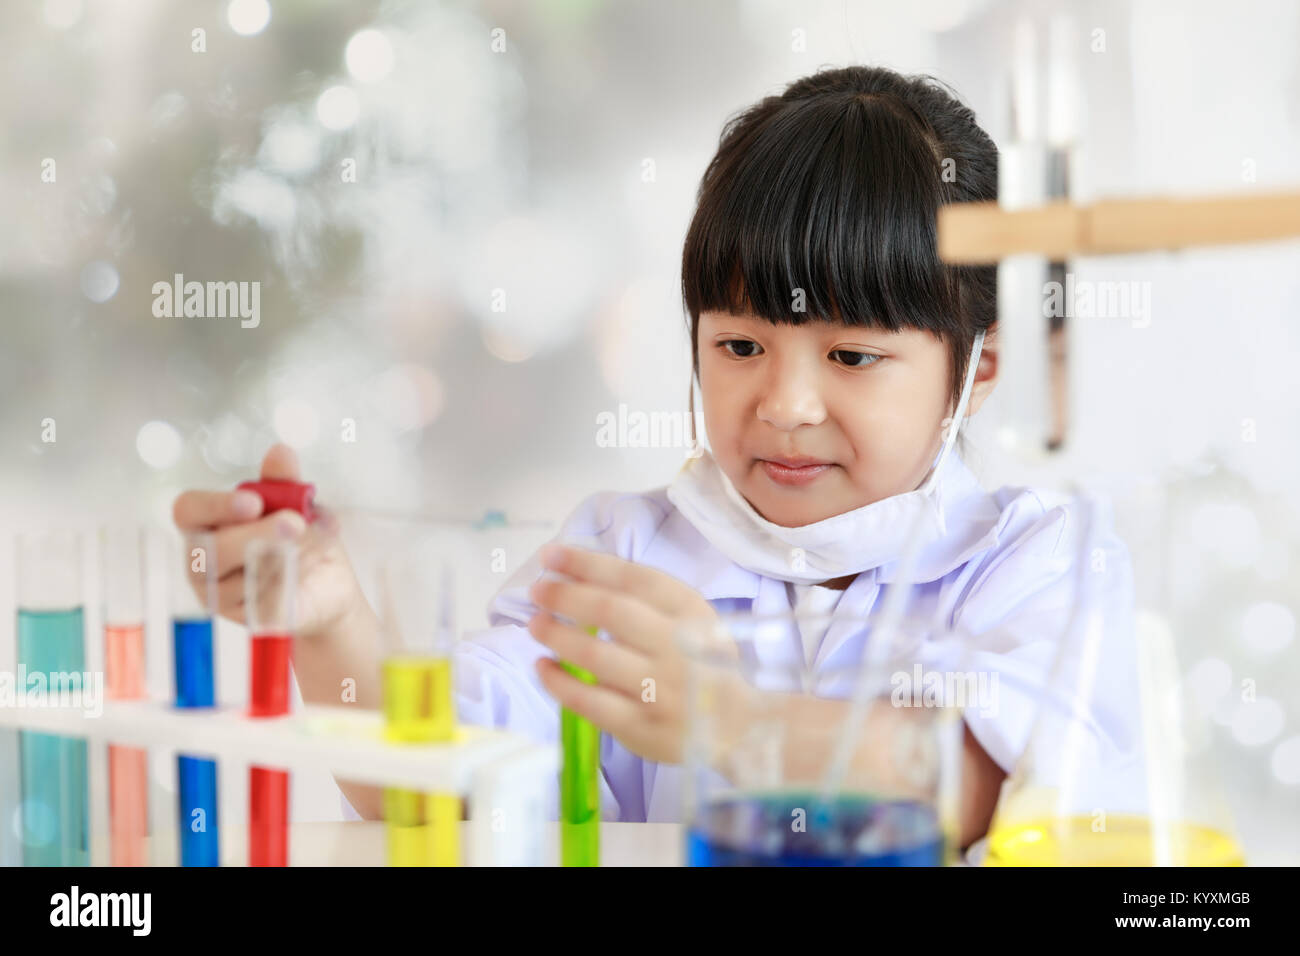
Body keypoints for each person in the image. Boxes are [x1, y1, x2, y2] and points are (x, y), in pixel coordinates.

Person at [172, 65, 1137, 850]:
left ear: (978, 370)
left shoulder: (1031, 560)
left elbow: (1005, 787)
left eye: (852, 356)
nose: (787, 406)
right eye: (740, 346)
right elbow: (435, 788)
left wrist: (735, 722)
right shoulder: (622, 553)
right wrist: (331, 623)